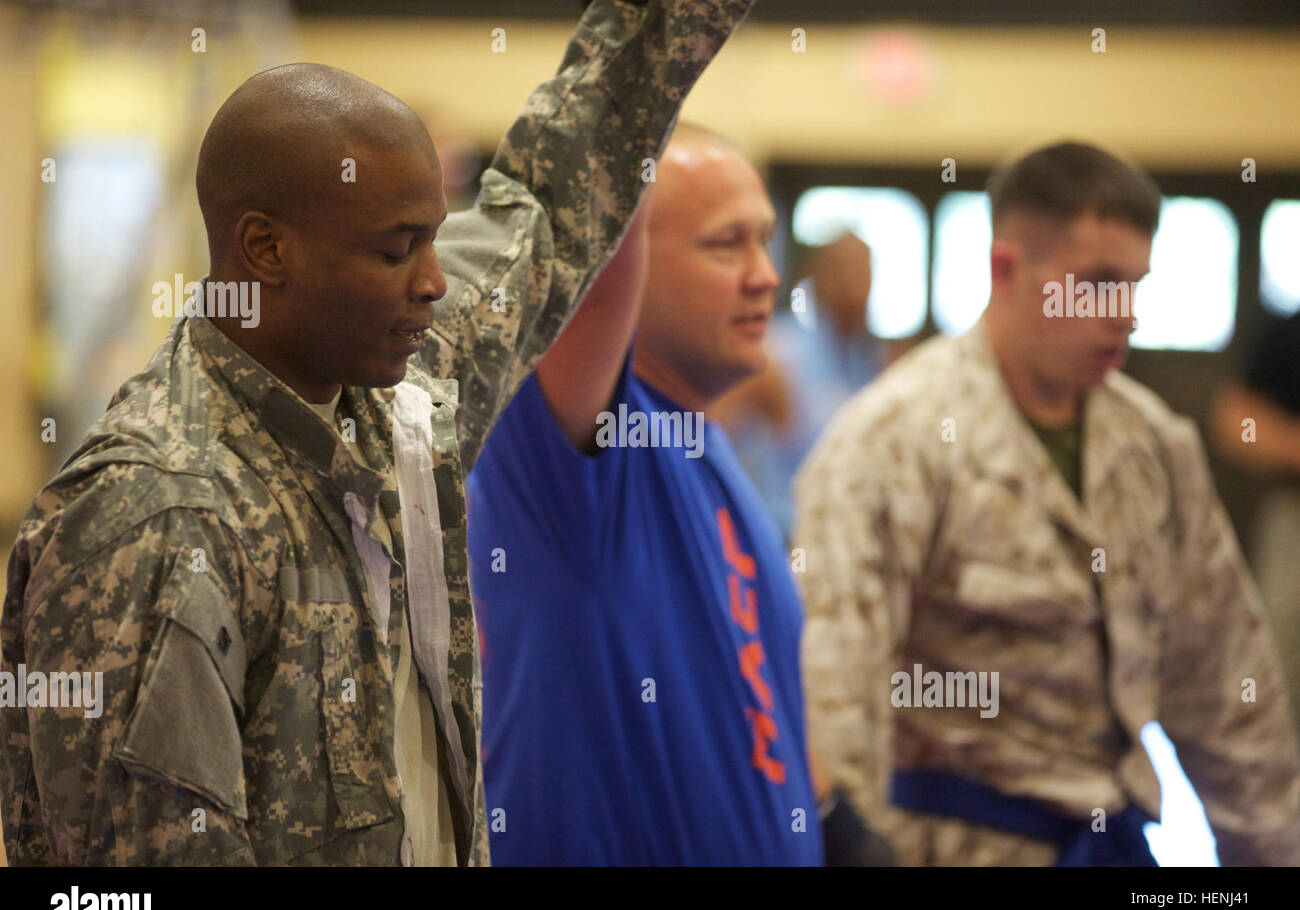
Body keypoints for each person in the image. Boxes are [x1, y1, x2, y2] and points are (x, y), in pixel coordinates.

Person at [0, 0, 755, 866]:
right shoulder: (159, 512)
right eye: (398, 251)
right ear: (265, 250)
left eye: (434, 239)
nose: (435, 283)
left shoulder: (400, 404)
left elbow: (547, 203)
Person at [795, 141, 1300, 866]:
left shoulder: (1155, 447)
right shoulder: (894, 441)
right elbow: (834, 700)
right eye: (1097, 284)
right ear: (1006, 268)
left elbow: (1226, 691)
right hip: (944, 847)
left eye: (1135, 285)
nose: (1124, 314)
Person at [466, 125, 823, 865]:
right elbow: (589, 231)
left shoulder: (707, 447)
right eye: (726, 243)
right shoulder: (579, 452)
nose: (764, 275)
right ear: (619, 269)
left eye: (766, 241)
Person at [715, 232, 884, 541]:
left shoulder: (871, 361)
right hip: (781, 538)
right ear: (817, 277)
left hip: (846, 536)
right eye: (842, 270)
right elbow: (710, 437)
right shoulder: (776, 352)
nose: (855, 285)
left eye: (864, 271)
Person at [1209, 310, 1300, 740]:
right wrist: (1289, 445)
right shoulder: (1289, 331)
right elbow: (1236, 419)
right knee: (1278, 673)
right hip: (1294, 520)